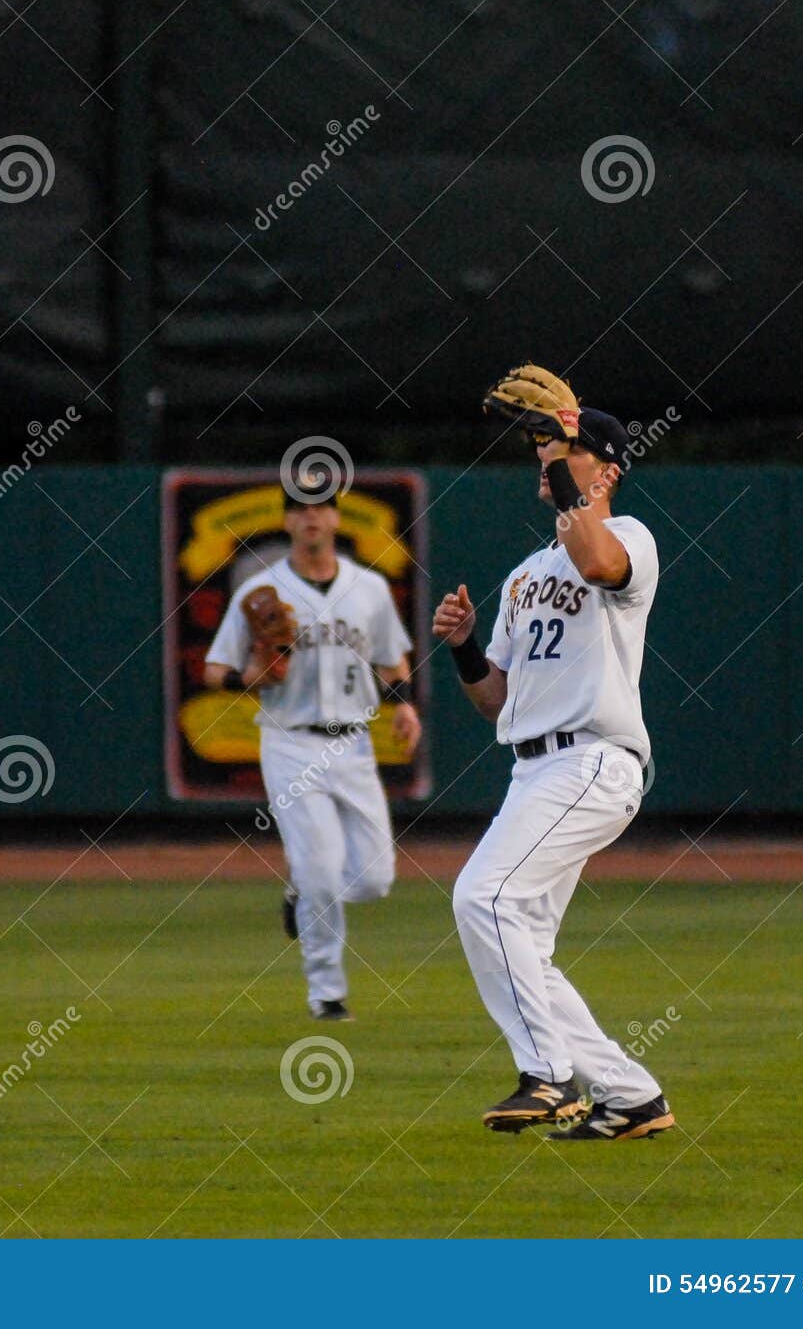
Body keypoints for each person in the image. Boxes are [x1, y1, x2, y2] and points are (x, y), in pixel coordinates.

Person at [432, 406, 675, 1140]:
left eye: (565, 455)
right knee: (525, 949)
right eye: (544, 456)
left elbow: (597, 562)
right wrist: (466, 649)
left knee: (481, 896)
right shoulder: (524, 574)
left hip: (595, 759)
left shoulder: (629, 539)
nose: (547, 466)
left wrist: (569, 467)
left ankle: (547, 1075)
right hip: (532, 770)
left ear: (607, 471)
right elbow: (493, 699)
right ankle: (632, 1097)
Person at [203, 470, 420, 1020]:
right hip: (290, 743)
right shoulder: (260, 589)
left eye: (321, 507)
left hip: (353, 744)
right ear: (287, 520)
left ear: (336, 517)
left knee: (374, 880)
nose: (311, 517)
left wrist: (407, 707)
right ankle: (326, 992)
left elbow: (393, 661)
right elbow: (214, 671)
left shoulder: (367, 588)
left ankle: (303, 893)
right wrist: (249, 677)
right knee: (323, 869)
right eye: (299, 508)